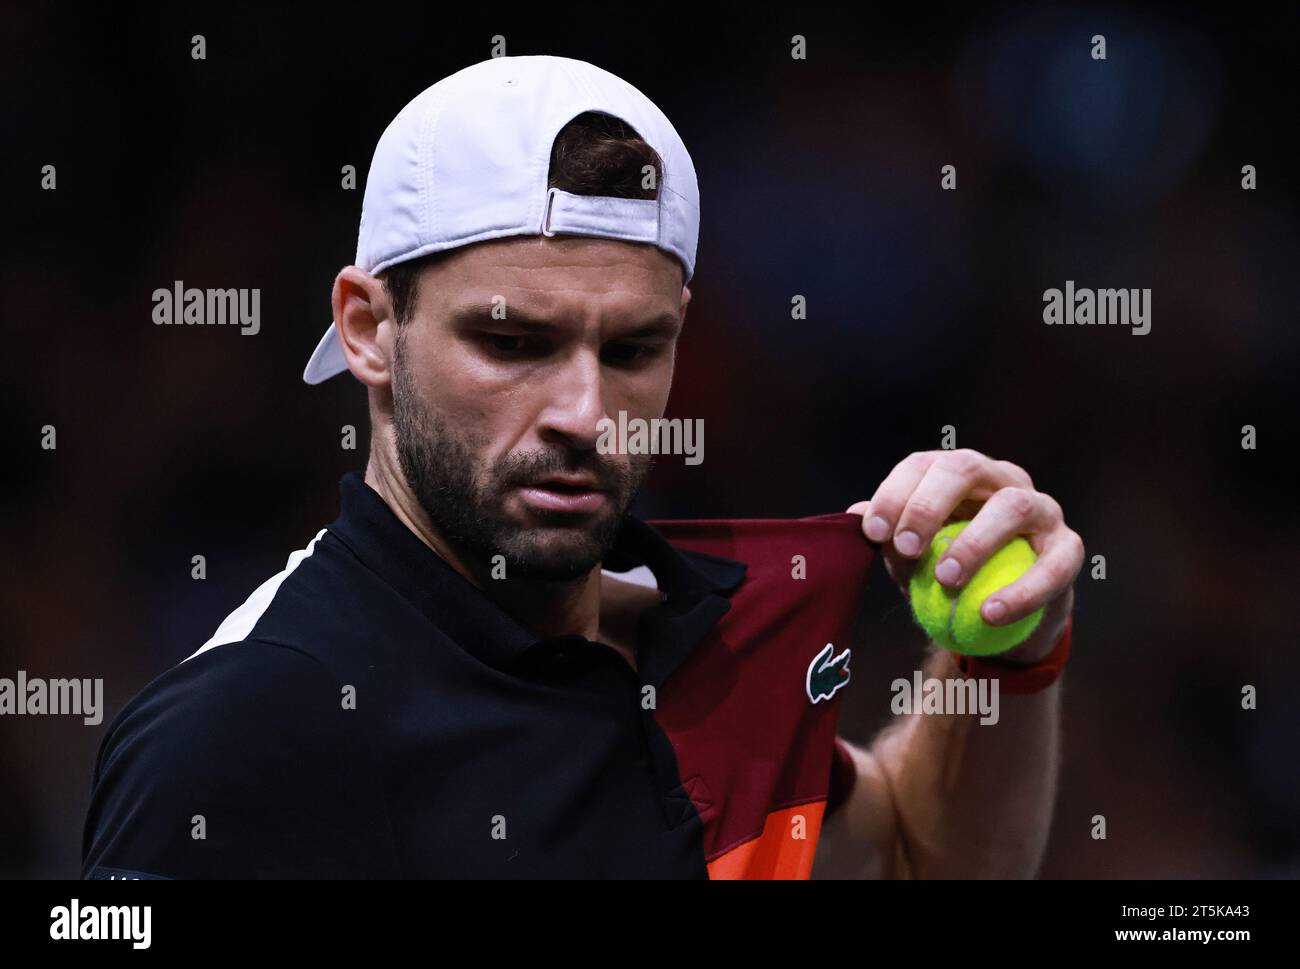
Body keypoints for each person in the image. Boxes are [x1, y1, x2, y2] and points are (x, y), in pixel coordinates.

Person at [82, 55, 1082, 879]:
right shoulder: (236, 739)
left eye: (632, 350)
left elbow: (919, 856)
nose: (584, 414)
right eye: (512, 342)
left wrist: (1002, 649)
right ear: (370, 329)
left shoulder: (708, 642)